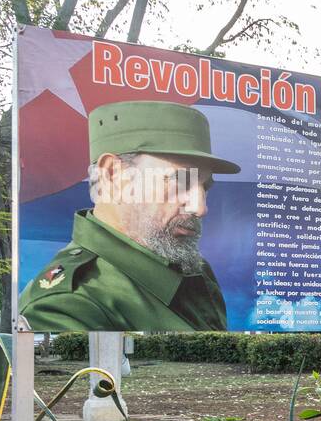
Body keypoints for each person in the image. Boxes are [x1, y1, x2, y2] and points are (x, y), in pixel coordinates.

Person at [20, 100, 240, 332]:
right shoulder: (65, 307)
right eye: (181, 181)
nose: (200, 207)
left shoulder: (195, 271)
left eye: (205, 187)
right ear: (114, 175)